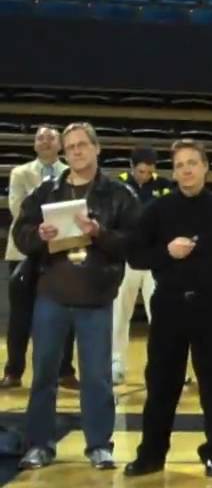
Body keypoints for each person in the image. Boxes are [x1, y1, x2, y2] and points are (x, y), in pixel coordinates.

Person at [13, 122, 140, 470]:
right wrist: (38, 234)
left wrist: (99, 233)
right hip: (51, 294)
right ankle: (39, 444)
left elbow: (135, 243)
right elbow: (20, 235)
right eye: (70, 147)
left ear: (97, 148)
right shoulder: (46, 191)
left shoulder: (119, 194)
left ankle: (99, 445)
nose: (77, 151)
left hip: (95, 297)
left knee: (97, 377)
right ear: (64, 153)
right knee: (43, 375)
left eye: (83, 145)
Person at [123, 140, 212, 478]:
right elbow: (135, 254)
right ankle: (151, 454)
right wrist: (165, 252)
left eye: (193, 163)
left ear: (206, 167)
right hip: (169, 308)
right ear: (173, 171)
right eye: (180, 165)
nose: (187, 170)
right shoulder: (158, 210)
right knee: (161, 385)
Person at [3, 124, 77, 390]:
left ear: (60, 145)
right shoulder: (20, 173)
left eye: (50, 138)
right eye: (40, 138)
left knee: (67, 310)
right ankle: (13, 371)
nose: (44, 142)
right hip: (25, 249)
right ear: (34, 144)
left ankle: (65, 371)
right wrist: (46, 227)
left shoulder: (71, 173)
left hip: (62, 249)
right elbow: (17, 209)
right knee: (20, 314)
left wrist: (57, 229)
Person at [112, 145, 174, 385]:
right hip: (126, 257)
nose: (144, 176)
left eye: (148, 172)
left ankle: (165, 362)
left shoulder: (165, 186)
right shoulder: (118, 186)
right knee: (120, 312)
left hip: (154, 259)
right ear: (131, 167)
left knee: (159, 313)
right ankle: (116, 361)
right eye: (140, 171)